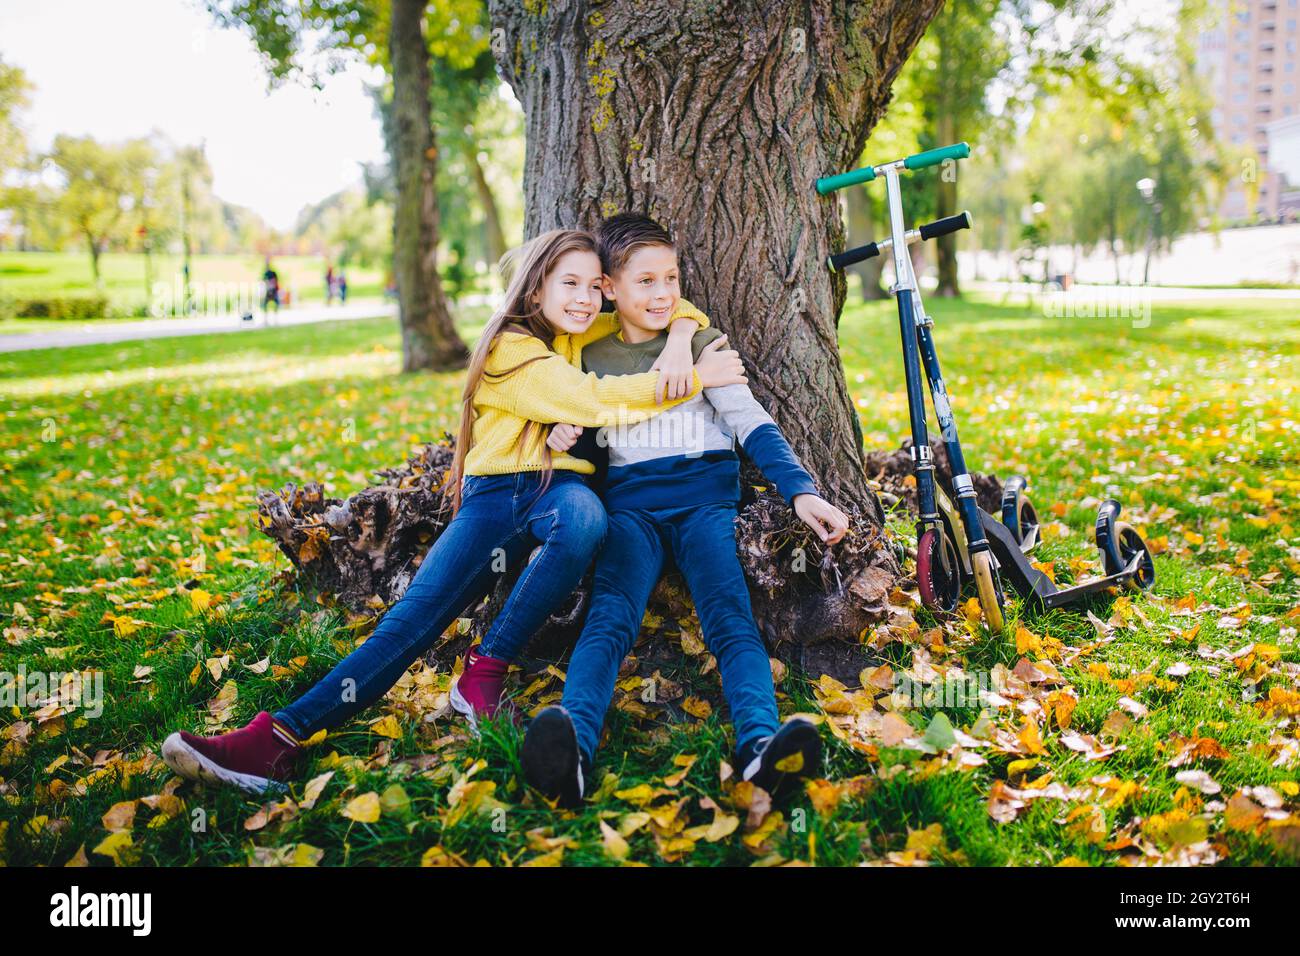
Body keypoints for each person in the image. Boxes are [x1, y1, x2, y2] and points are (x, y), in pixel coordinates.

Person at [159, 229, 747, 794]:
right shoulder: (510, 348)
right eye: (571, 284)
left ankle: (484, 672)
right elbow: (592, 399)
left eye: (595, 287)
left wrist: (675, 340)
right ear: (535, 286)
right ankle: (276, 738)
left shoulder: (576, 332)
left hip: (556, 490)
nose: (587, 299)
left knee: (585, 517)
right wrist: (695, 375)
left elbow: (672, 304)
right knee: (411, 626)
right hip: (498, 497)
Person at [520, 214, 850, 806]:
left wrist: (801, 491)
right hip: (630, 516)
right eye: (645, 281)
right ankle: (571, 748)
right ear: (609, 290)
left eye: (671, 277)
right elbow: (595, 432)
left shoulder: (702, 344)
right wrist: (567, 430)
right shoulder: (588, 356)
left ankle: (759, 748)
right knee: (608, 620)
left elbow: (752, 424)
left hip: (705, 508)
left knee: (730, 619)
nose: (663, 293)